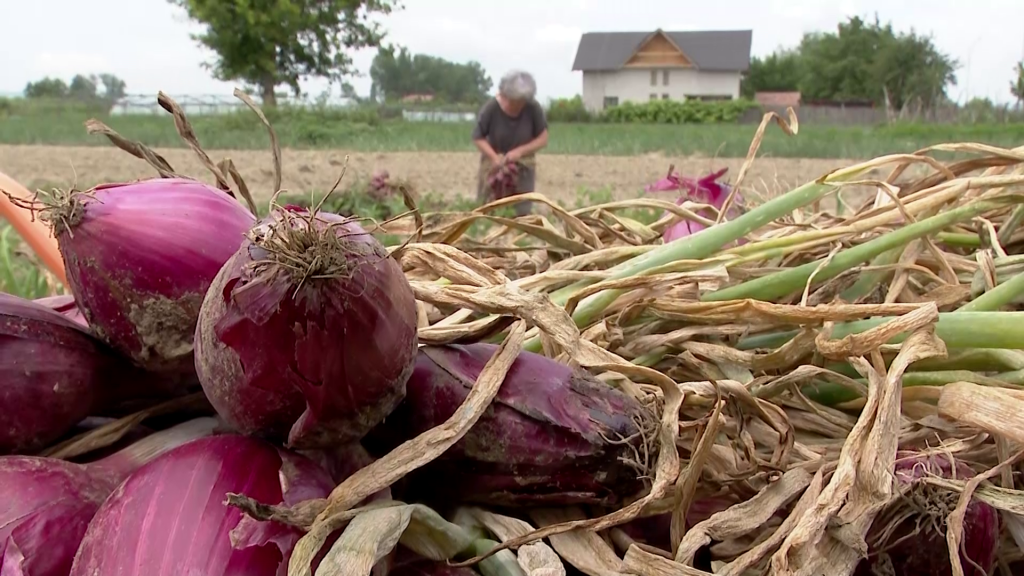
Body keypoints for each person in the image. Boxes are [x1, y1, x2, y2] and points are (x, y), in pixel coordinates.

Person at [471, 69, 549, 216]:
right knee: (488, 210)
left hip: (522, 166)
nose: (518, 105)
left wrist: (519, 152)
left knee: (521, 213)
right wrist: (494, 158)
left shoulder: (533, 109)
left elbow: (543, 138)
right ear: (504, 96)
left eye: (521, 102)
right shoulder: (491, 108)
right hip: (494, 165)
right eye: (514, 101)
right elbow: (478, 137)